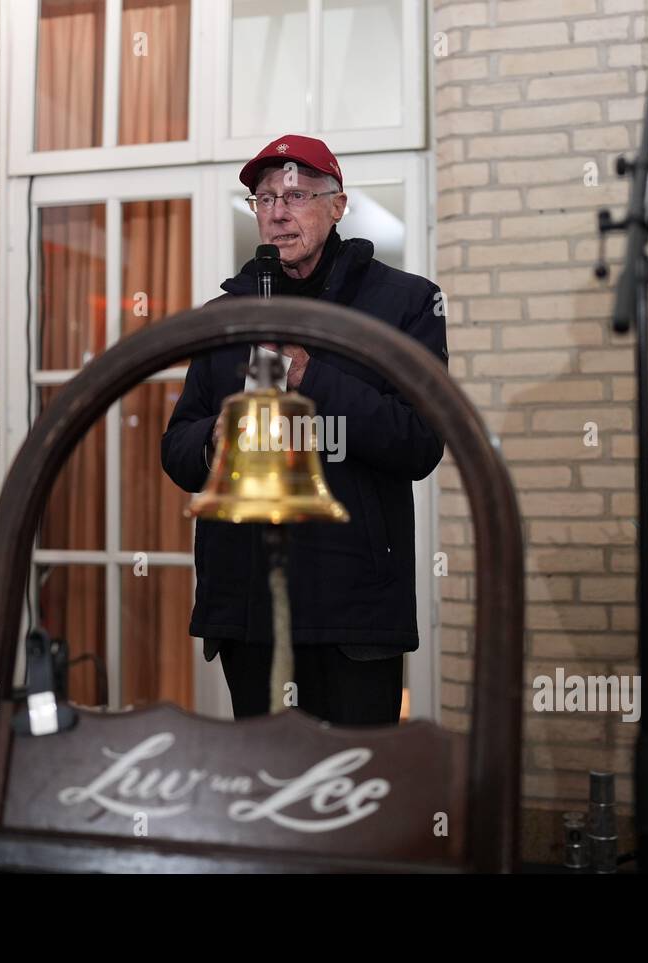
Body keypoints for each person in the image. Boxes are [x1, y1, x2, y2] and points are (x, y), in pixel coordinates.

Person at [160, 134, 447, 726]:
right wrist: (216, 438)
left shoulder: (405, 305)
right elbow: (176, 448)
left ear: (338, 205)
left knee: (355, 795)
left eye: (296, 194)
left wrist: (310, 376)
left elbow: (420, 441)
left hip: (354, 610)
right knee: (263, 799)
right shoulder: (225, 317)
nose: (278, 212)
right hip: (248, 606)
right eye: (264, 198)